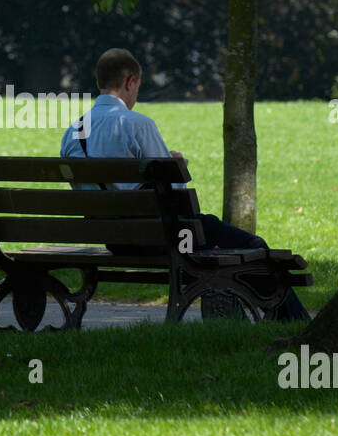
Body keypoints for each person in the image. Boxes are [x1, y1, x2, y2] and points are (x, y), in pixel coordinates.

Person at [58, 48, 311, 322]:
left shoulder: (74, 130)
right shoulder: (137, 125)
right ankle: (296, 324)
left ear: (100, 82)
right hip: (164, 238)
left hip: (114, 240)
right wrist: (175, 166)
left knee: (229, 244)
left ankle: (243, 323)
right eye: (137, 87)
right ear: (131, 82)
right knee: (253, 246)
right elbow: (175, 195)